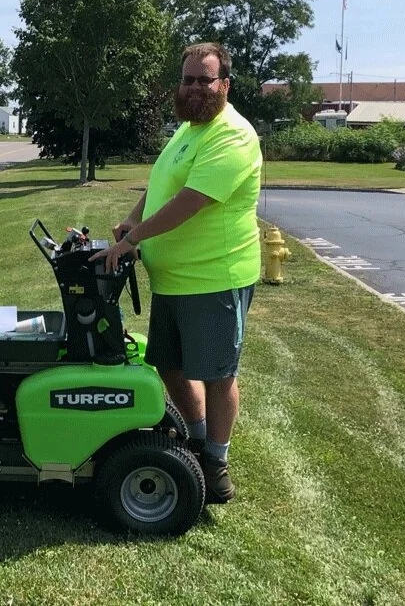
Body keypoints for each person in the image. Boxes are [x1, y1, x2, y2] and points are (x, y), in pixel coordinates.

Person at [89, 42, 262, 504]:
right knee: (170, 364)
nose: (194, 88)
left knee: (217, 373)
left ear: (224, 84)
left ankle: (217, 463)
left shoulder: (233, 136)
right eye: (188, 79)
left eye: (204, 80)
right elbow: (162, 185)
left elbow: (191, 202)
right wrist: (131, 218)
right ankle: (199, 440)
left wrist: (134, 239)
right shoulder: (187, 130)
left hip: (215, 279)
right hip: (174, 280)